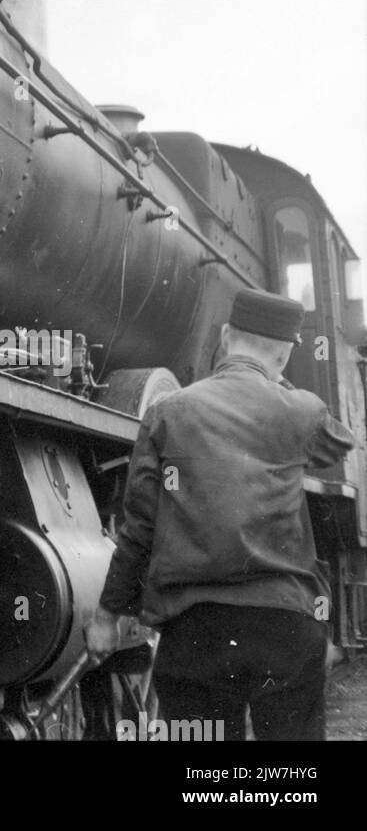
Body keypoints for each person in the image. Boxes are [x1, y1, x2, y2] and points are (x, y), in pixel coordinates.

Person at [85, 287, 356, 740]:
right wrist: (274, 382)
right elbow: (339, 442)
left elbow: (139, 528)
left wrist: (107, 616)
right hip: (285, 626)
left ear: (226, 336)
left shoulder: (167, 411)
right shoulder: (300, 410)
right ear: (285, 354)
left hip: (196, 631)